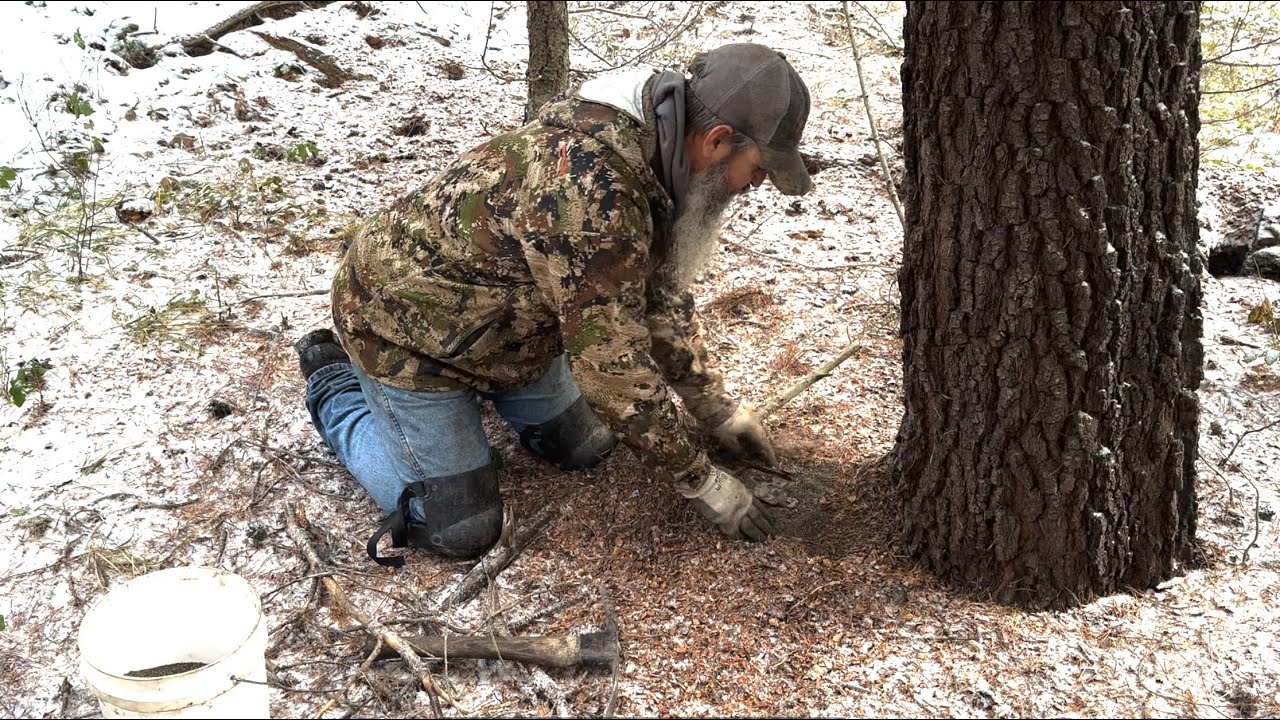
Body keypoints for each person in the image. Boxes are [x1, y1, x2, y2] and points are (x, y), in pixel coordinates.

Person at [295, 43, 814, 567]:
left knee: (586, 445)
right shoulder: (591, 192)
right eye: (760, 167)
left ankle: (472, 407)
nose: (757, 184)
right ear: (718, 140)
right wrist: (698, 480)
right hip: (405, 331)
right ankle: (336, 384)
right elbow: (612, 367)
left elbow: (659, 298)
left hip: (509, 330)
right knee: (460, 527)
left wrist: (716, 410)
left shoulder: (661, 154)